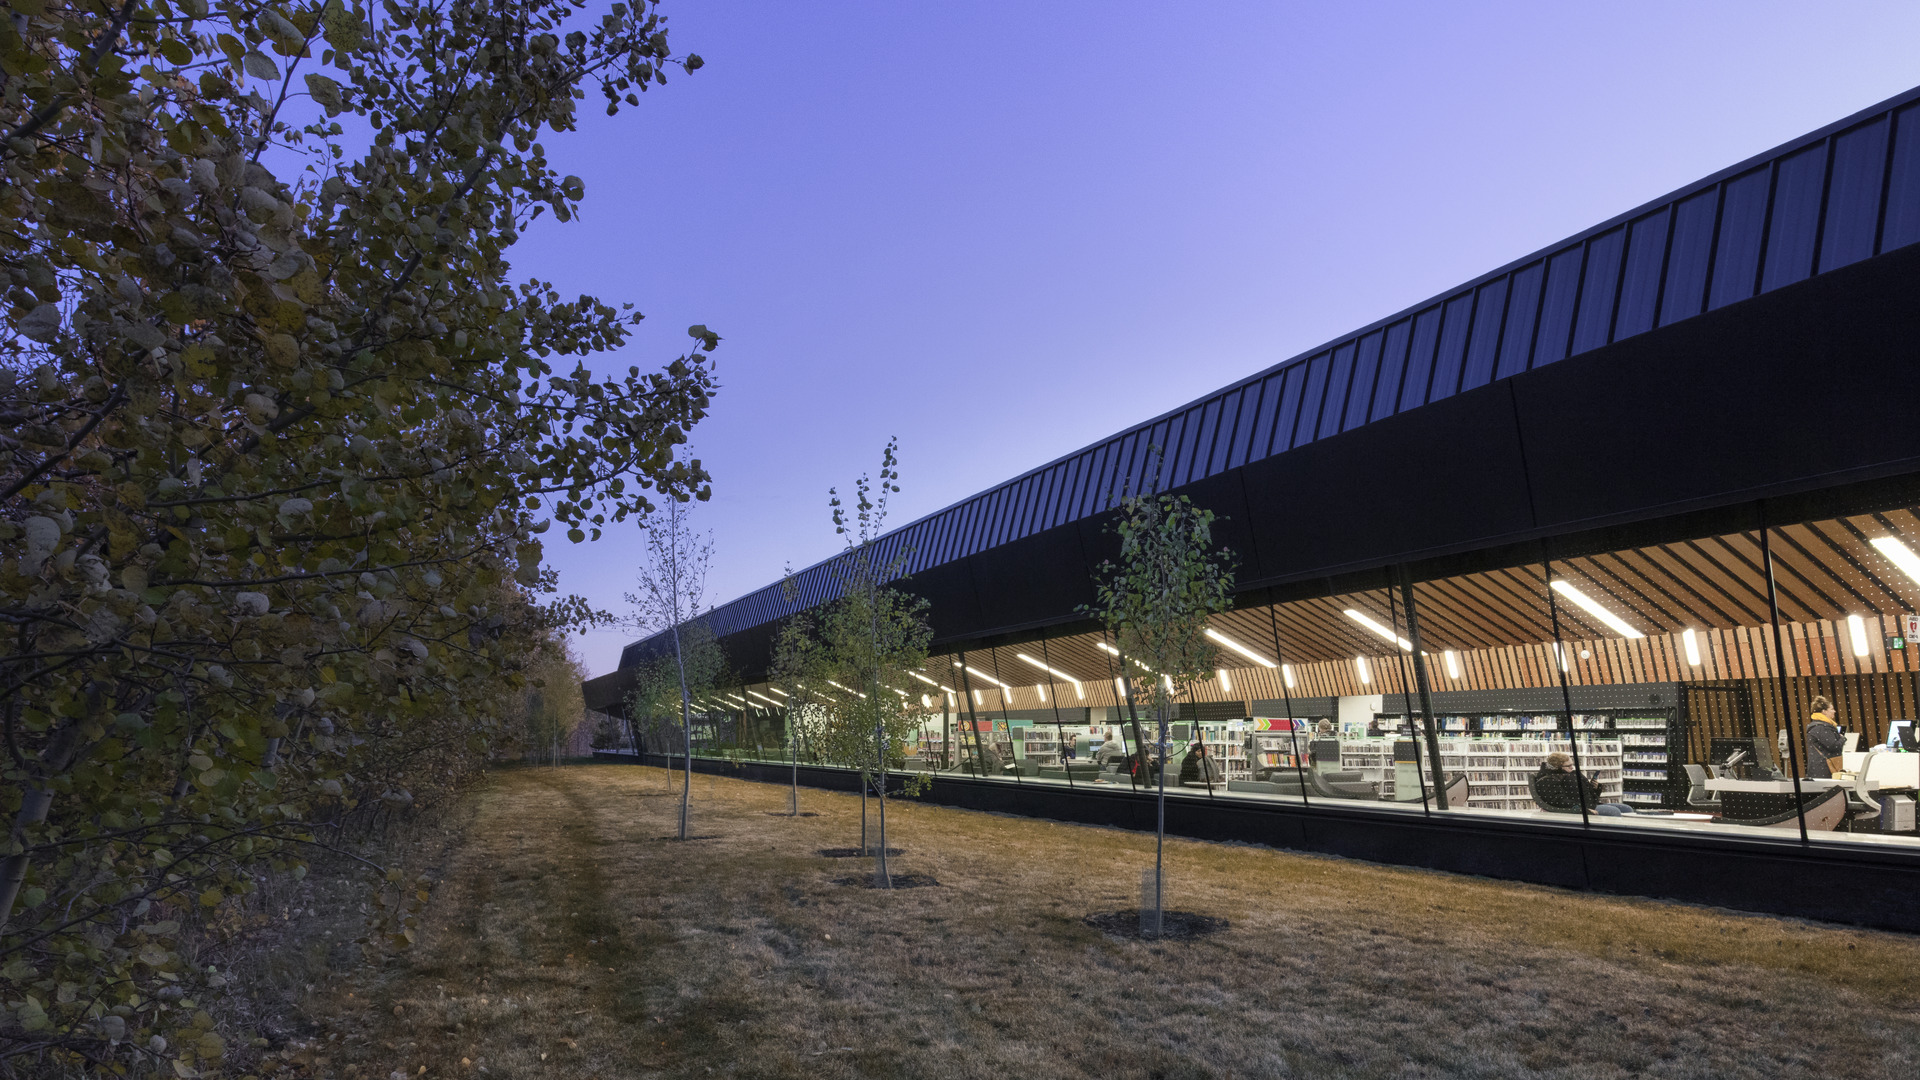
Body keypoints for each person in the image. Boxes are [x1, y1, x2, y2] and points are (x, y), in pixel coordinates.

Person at [1532, 752, 1637, 815]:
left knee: (1626, 808)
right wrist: (1582, 809)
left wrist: (1595, 788)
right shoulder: (1547, 780)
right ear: (1557, 767)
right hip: (1581, 808)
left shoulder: (1568, 774)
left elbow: (1584, 794)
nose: (1572, 768)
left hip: (1589, 804)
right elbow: (1559, 800)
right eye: (1568, 766)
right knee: (1614, 812)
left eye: (1572, 765)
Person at [1805, 696, 1846, 779]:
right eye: (1831, 709)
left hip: (1818, 769)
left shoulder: (1817, 725)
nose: (1834, 711)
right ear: (1824, 711)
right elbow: (1834, 746)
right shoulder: (1822, 727)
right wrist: (1843, 738)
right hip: (1824, 770)